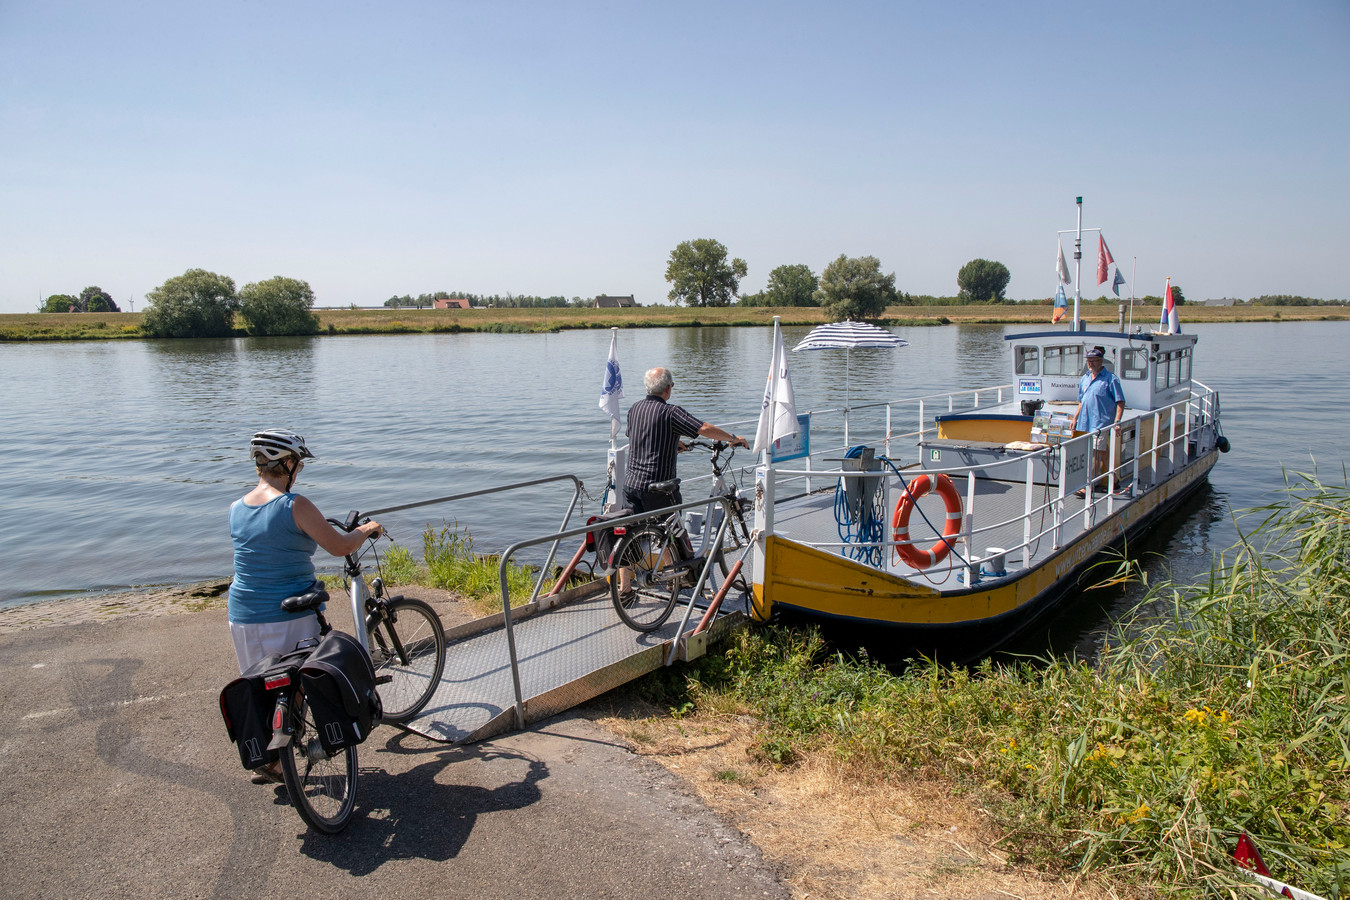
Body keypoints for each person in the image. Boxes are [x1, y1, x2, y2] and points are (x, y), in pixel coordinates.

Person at [227, 429, 382, 782]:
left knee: (264, 684)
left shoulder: (236, 509)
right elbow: (341, 546)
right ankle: (291, 749)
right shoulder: (294, 505)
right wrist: (367, 529)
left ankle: (272, 758)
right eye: (299, 465)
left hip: (243, 615)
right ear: (289, 464)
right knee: (302, 680)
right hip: (288, 614)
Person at [624, 367, 749, 511]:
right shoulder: (671, 412)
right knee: (673, 532)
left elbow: (638, 436)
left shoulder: (635, 408)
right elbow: (704, 428)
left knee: (636, 530)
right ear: (668, 388)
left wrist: (672, 442)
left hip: (631, 485)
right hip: (657, 489)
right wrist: (732, 438)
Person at [1072, 347, 1126, 496]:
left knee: (1095, 452)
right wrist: (1075, 417)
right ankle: (1114, 480)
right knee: (1102, 452)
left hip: (1101, 423)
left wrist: (1117, 421)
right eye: (1089, 361)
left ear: (1101, 361)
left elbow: (1120, 401)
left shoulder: (1111, 379)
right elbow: (1081, 401)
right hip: (1085, 422)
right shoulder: (1085, 378)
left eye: (1094, 361)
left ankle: (1087, 486)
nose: (1091, 364)